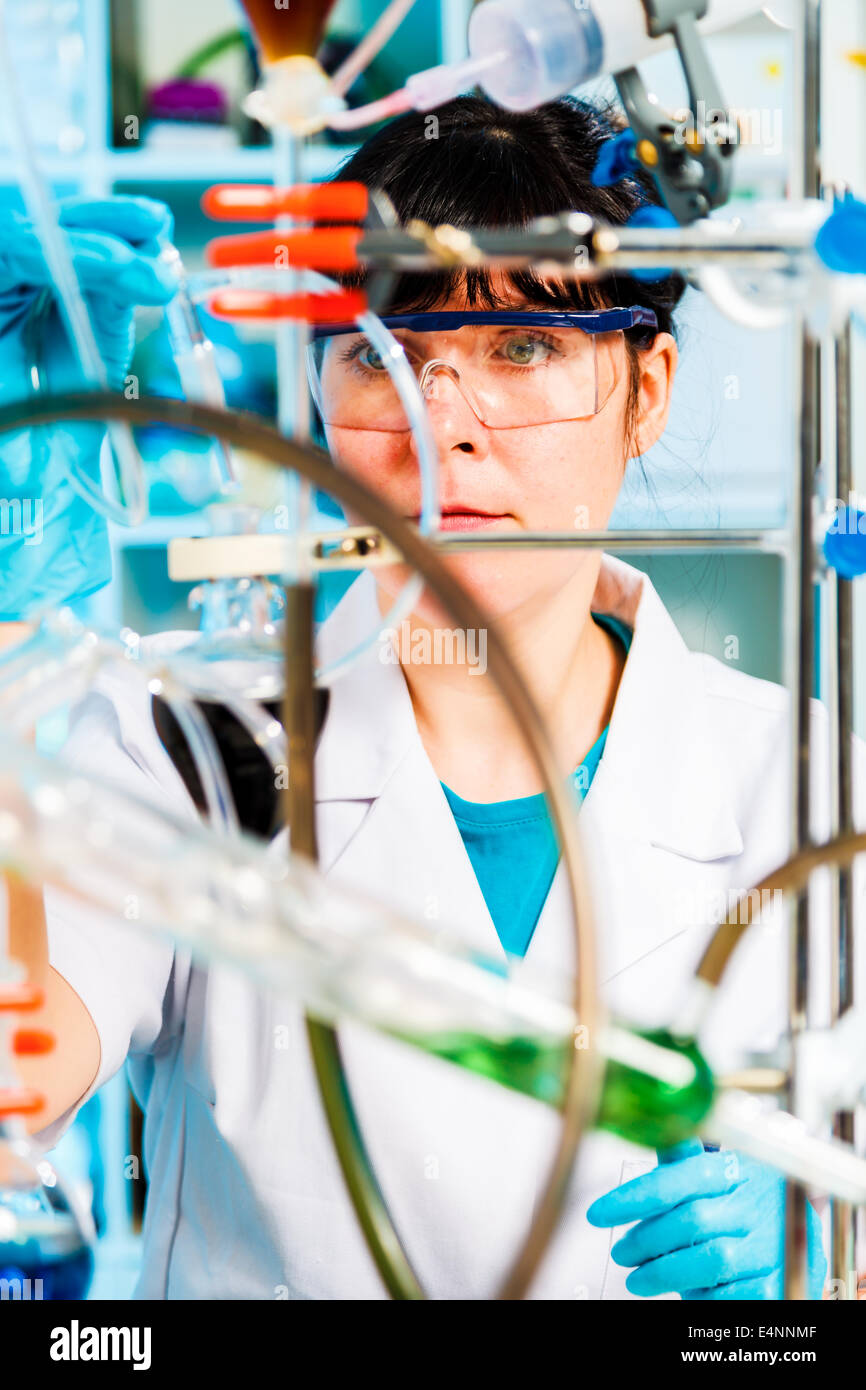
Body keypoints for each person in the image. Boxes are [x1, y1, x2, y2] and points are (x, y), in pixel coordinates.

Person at [5, 95, 845, 1300]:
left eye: (522, 351)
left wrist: (839, 1244)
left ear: (645, 388)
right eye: (382, 359)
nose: (439, 430)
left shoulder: (801, 786)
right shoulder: (179, 742)